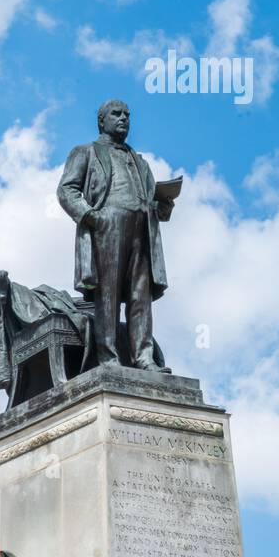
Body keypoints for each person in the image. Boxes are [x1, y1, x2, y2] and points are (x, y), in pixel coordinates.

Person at [57, 99, 174, 371]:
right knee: (107, 294)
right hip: (107, 224)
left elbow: (153, 203)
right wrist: (91, 216)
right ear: (102, 121)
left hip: (141, 229)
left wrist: (164, 205)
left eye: (127, 115)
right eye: (116, 114)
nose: (123, 119)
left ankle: (143, 357)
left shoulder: (139, 161)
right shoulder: (85, 152)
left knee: (139, 295)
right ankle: (108, 357)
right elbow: (67, 190)